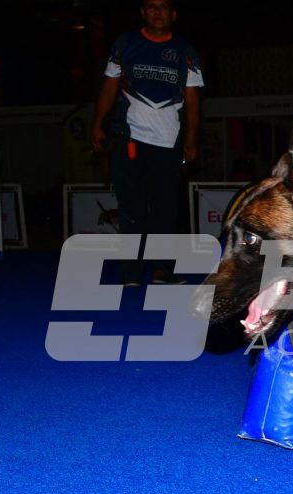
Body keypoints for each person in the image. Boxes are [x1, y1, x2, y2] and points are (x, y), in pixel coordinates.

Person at [91, 0, 203, 286]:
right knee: (132, 209)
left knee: (165, 211)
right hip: (129, 140)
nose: (157, 11)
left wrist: (191, 139)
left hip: (168, 144)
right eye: (151, 6)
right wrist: (97, 124)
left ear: (173, 14)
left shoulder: (184, 50)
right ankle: (131, 274)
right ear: (142, 12)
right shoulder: (125, 44)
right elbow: (109, 87)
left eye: (163, 7)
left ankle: (163, 271)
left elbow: (192, 99)